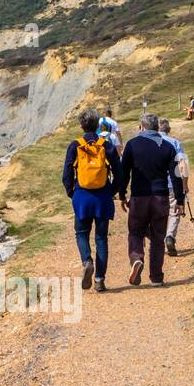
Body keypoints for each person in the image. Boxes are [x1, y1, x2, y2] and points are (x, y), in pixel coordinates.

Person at [114, 113, 186, 287]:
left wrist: (122, 194)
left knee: (136, 232)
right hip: (161, 198)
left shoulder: (132, 145)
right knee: (158, 237)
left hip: (139, 198)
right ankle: (156, 277)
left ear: (142, 127)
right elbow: (176, 176)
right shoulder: (168, 147)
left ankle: (137, 258)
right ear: (157, 128)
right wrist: (180, 200)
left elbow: (124, 173)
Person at [62, 109, 123, 292]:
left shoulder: (75, 145)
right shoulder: (106, 145)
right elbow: (119, 173)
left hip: (82, 196)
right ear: (98, 125)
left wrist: (72, 192)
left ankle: (87, 261)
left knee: (81, 233)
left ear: (81, 125)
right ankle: (99, 280)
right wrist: (112, 190)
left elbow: (66, 174)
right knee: (101, 238)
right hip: (103, 197)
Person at [159, 120, 190, 257]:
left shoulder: (152, 142)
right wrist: (185, 183)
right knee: (174, 211)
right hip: (172, 184)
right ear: (169, 130)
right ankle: (170, 236)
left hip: (156, 185)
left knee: (159, 213)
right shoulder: (175, 143)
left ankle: (157, 241)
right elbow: (182, 165)